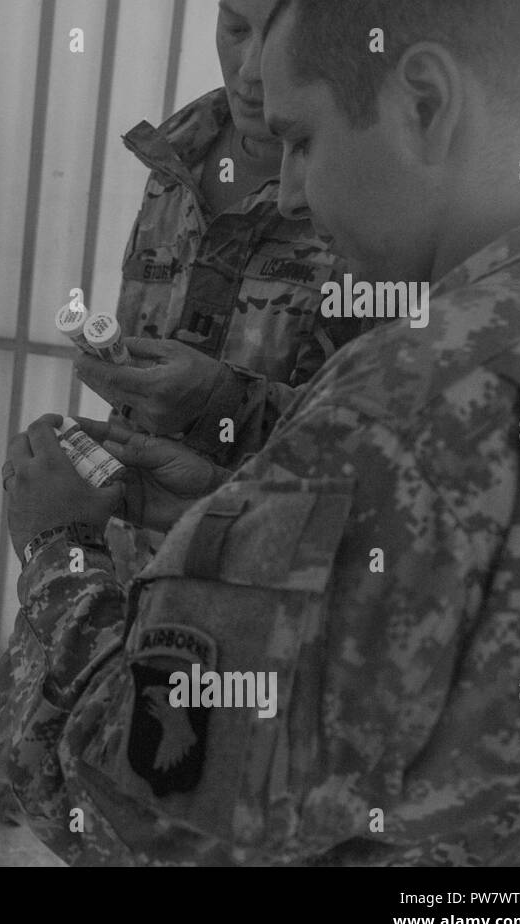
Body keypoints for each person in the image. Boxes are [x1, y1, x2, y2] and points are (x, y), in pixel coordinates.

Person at [0, 0, 520, 866]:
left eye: (303, 142)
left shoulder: (404, 402)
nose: (293, 188)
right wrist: (245, 524)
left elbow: (141, 816)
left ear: (424, 104)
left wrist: (57, 546)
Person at [75, 0, 362, 585]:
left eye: (283, 34)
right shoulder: (175, 156)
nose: (251, 69)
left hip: (268, 574)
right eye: (234, 28)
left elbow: (372, 444)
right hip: (129, 553)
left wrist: (218, 404)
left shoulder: (364, 186)